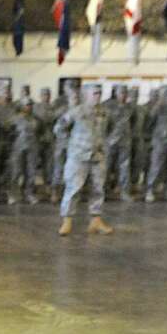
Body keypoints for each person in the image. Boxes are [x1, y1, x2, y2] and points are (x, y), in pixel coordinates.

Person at [56, 85, 113, 237]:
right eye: (94, 94)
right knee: (73, 188)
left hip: (97, 156)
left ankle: (96, 220)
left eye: (99, 93)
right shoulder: (76, 111)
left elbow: (109, 130)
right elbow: (59, 128)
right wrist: (70, 144)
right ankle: (67, 220)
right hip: (78, 156)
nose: (97, 96)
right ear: (86, 95)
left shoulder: (104, 112)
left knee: (98, 189)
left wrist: (104, 145)